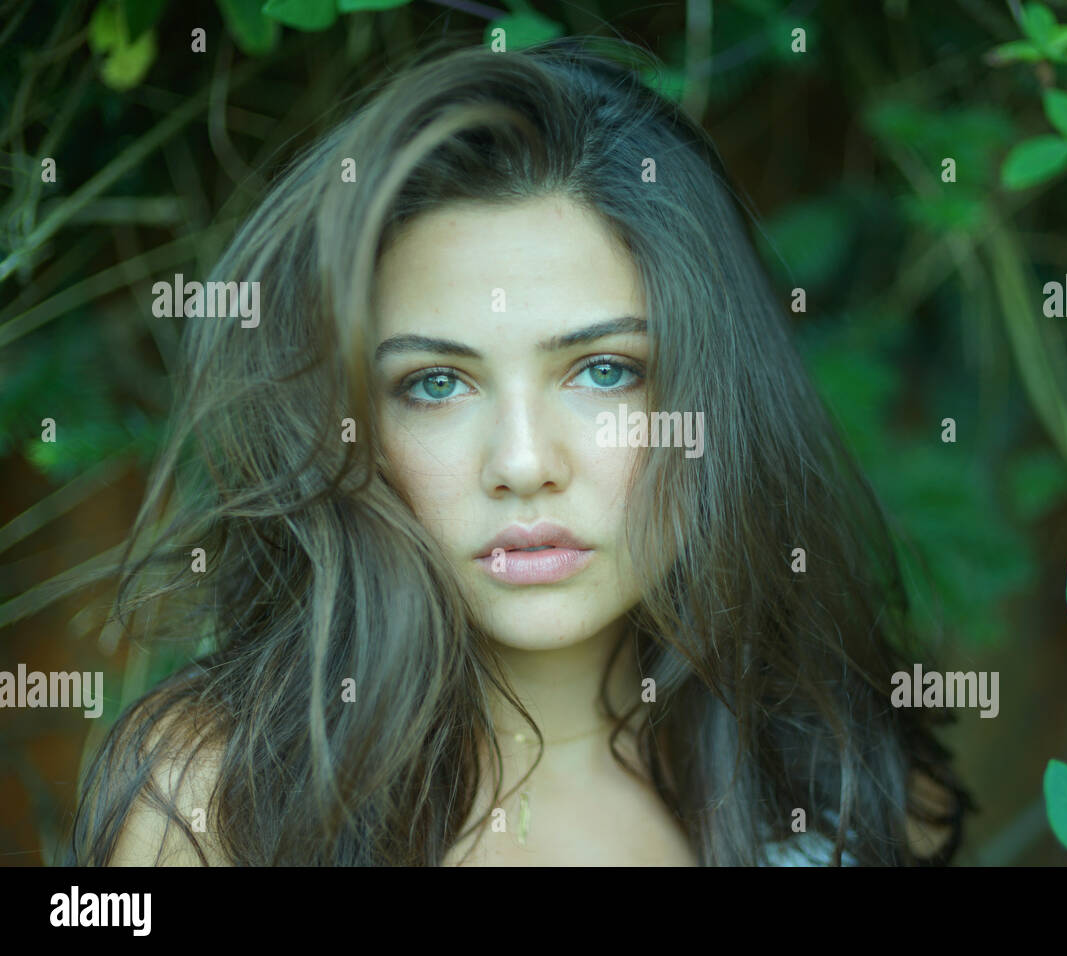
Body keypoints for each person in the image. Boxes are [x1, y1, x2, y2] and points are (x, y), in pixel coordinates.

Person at [65, 37, 972, 866]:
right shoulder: (216, 805)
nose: (525, 461)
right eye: (436, 384)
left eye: (605, 371)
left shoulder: (854, 793)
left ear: (711, 396)